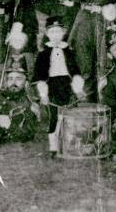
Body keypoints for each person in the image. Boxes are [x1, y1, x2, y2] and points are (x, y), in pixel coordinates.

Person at [34, 17, 85, 156]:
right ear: (47, 34)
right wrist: (43, 95)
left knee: (70, 114)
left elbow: (75, 72)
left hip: (67, 85)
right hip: (52, 86)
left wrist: (78, 90)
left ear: (63, 33)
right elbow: (40, 76)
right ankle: (53, 147)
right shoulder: (43, 54)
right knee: (54, 117)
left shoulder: (69, 51)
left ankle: (71, 143)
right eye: (52, 32)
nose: (56, 35)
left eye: (58, 31)